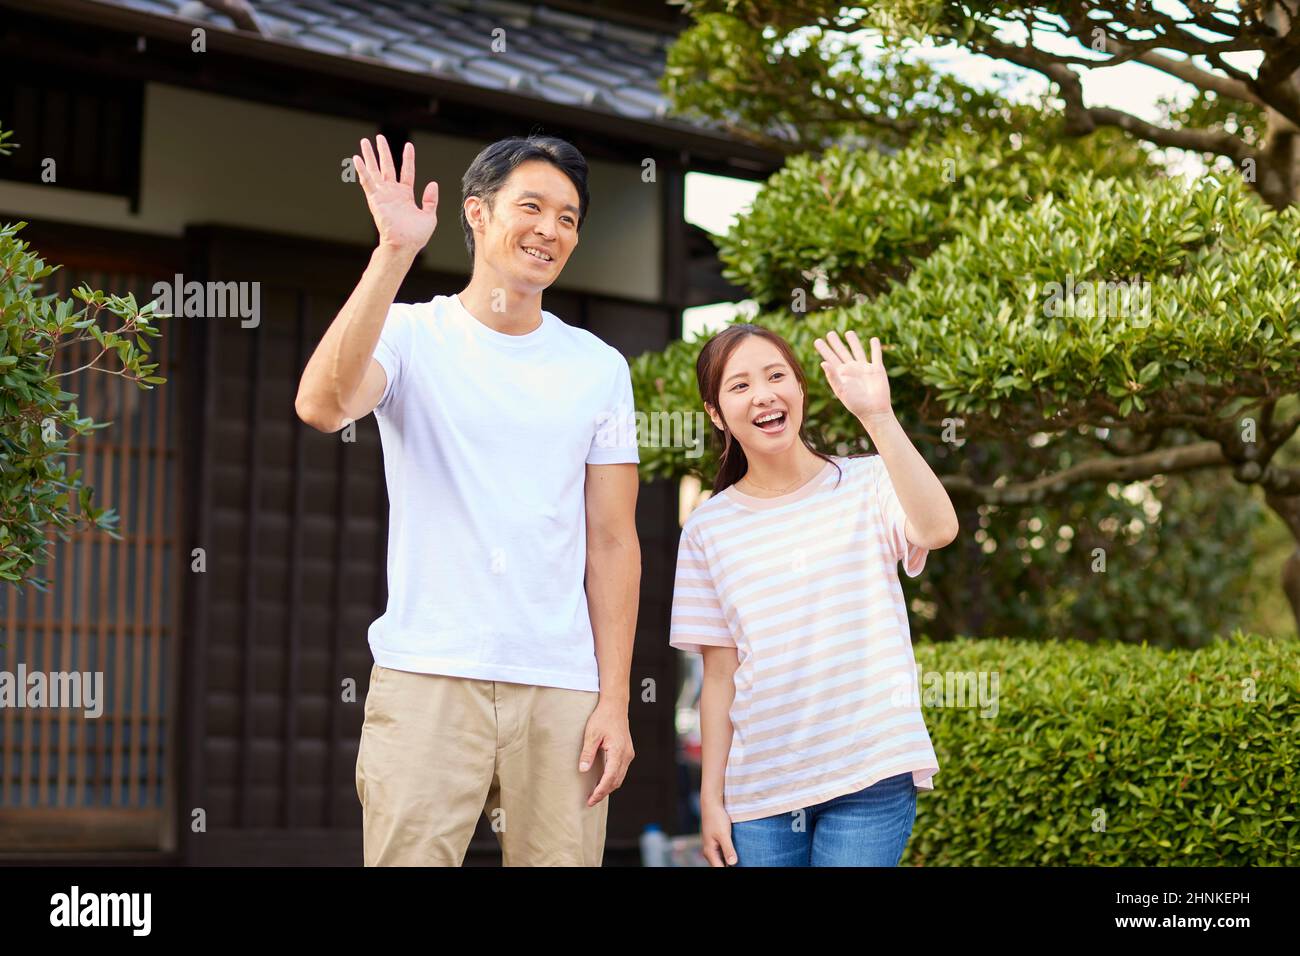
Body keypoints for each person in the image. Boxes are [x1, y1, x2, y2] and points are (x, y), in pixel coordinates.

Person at [295, 133, 641, 866]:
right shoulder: (411, 334)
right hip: (428, 672)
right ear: (478, 215)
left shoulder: (598, 368)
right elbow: (322, 407)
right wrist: (392, 252)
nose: (551, 230)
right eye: (533, 207)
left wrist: (614, 698)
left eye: (570, 218)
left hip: (561, 688)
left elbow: (613, 539)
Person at [668, 323, 959, 866]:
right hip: (761, 789)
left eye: (777, 376)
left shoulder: (867, 483)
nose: (763, 394)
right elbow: (719, 675)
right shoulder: (708, 528)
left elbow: (939, 529)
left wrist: (877, 416)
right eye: (739, 385)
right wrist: (712, 799)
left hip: (869, 770)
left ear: (801, 389)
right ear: (715, 413)